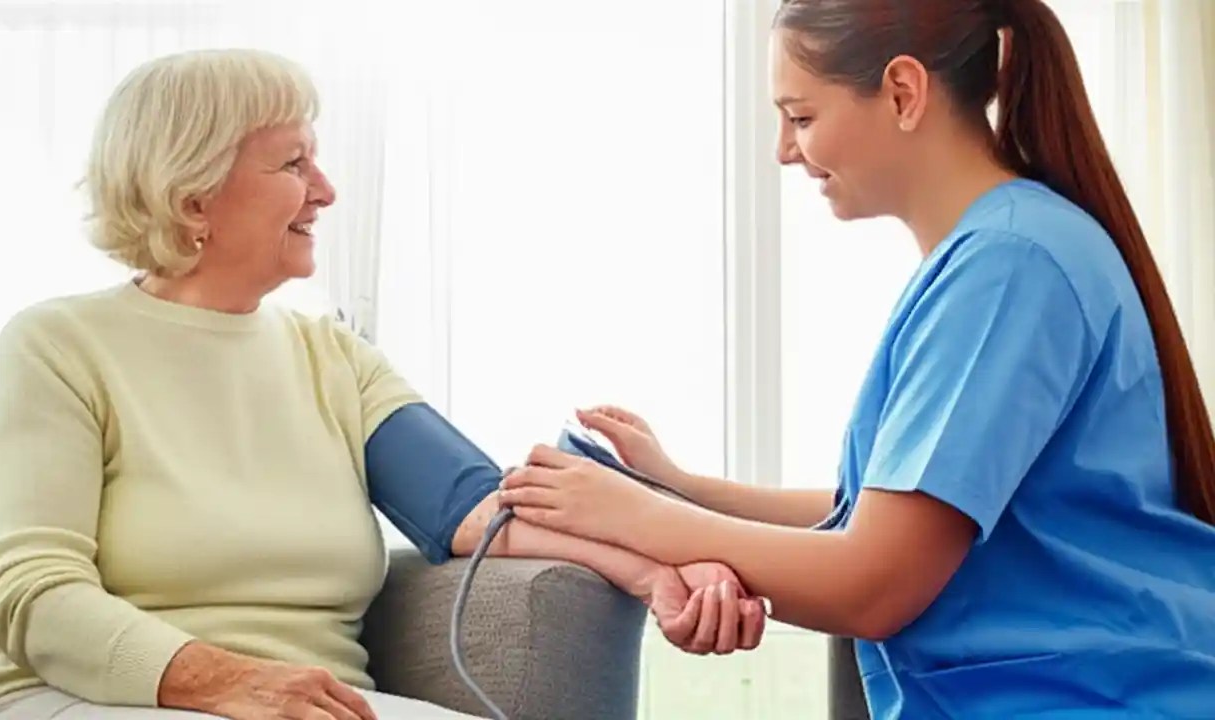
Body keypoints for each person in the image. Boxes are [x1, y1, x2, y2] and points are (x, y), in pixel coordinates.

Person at [0, 48, 768, 720]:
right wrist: (227, 680)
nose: (326, 189)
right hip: (82, 698)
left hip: (315, 704)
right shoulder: (59, 346)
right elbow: (36, 597)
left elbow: (477, 510)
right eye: (292, 162)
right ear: (193, 192)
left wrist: (657, 571)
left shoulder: (330, 357)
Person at [501, 0, 1215, 717]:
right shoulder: (1010, 248)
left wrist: (634, 516)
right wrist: (679, 489)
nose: (784, 149)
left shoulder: (1008, 268)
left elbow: (875, 583)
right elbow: (888, 514)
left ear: (904, 93)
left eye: (802, 117)